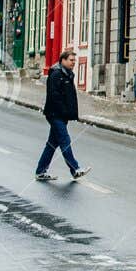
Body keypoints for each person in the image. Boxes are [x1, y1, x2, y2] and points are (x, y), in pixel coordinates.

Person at [36, 50, 88, 181]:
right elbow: (55, 97)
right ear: (63, 60)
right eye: (71, 60)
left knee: (52, 144)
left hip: (62, 115)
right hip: (55, 114)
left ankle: (40, 171)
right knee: (65, 140)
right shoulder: (56, 74)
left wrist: (70, 113)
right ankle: (75, 169)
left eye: (74, 60)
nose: (73, 63)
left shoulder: (67, 74)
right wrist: (65, 112)